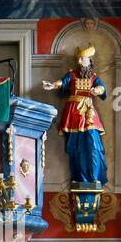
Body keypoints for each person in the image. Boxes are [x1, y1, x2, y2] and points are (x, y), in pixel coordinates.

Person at [42, 43, 107, 186]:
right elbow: (62, 82)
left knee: (92, 144)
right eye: (78, 59)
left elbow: (102, 87)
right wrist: (53, 85)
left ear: (89, 60)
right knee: (75, 147)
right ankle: (80, 177)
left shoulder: (94, 77)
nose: (79, 62)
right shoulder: (72, 74)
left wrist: (98, 90)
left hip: (88, 113)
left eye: (82, 59)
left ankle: (94, 176)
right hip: (72, 113)